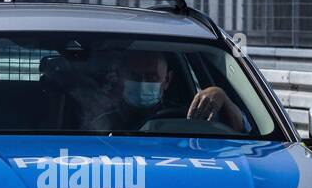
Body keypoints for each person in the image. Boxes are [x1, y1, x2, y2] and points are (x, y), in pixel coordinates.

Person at [91, 48, 245, 132]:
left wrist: (220, 95)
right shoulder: (100, 122)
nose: (143, 83)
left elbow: (241, 132)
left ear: (167, 80)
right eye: (134, 76)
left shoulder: (190, 115)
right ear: (119, 77)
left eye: (152, 77)